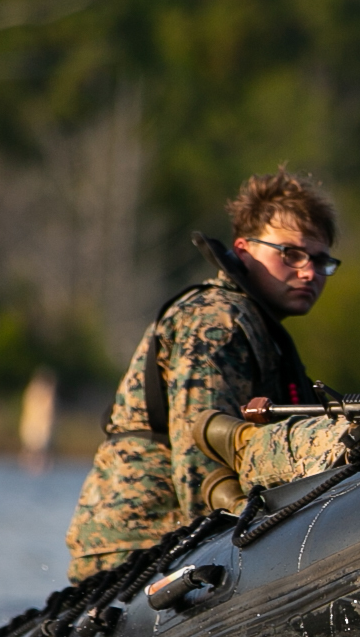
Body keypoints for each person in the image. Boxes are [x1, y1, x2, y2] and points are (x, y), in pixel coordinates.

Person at [64, 172, 341, 581]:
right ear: (243, 251)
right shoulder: (217, 321)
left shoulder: (260, 330)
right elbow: (200, 453)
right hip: (142, 542)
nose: (308, 272)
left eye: (320, 261)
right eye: (291, 254)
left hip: (159, 541)